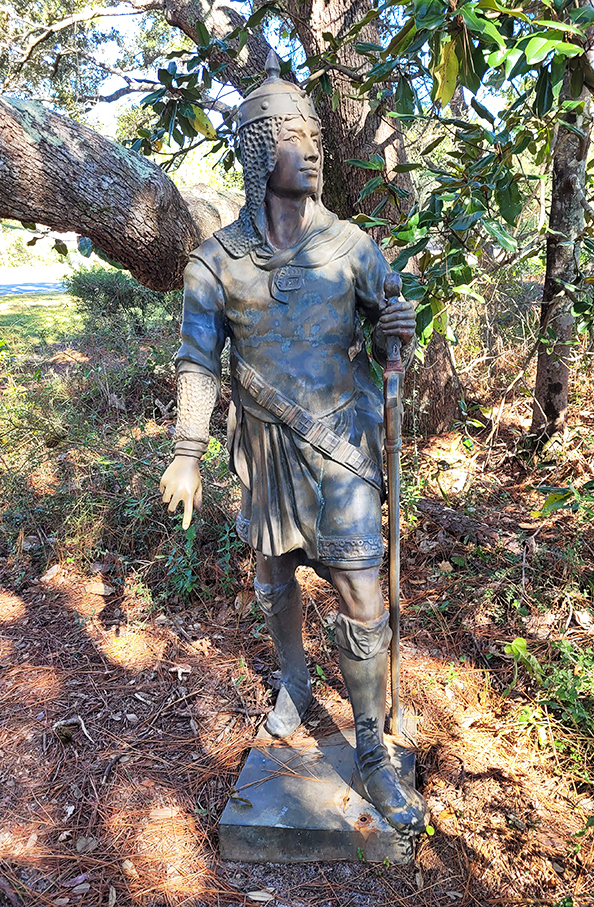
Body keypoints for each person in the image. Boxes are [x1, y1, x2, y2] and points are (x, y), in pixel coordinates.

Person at [160, 52, 426, 835]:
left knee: (361, 591)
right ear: (253, 153)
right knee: (274, 577)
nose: (307, 147)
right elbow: (197, 357)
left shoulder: (353, 247)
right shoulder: (216, 262)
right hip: (266, 450)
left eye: (311, 133)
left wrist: (396, 337)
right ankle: (296, 677)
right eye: (287, 135)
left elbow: (390, 330)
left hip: (340, 446)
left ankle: (372, 746)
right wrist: (186, 450)